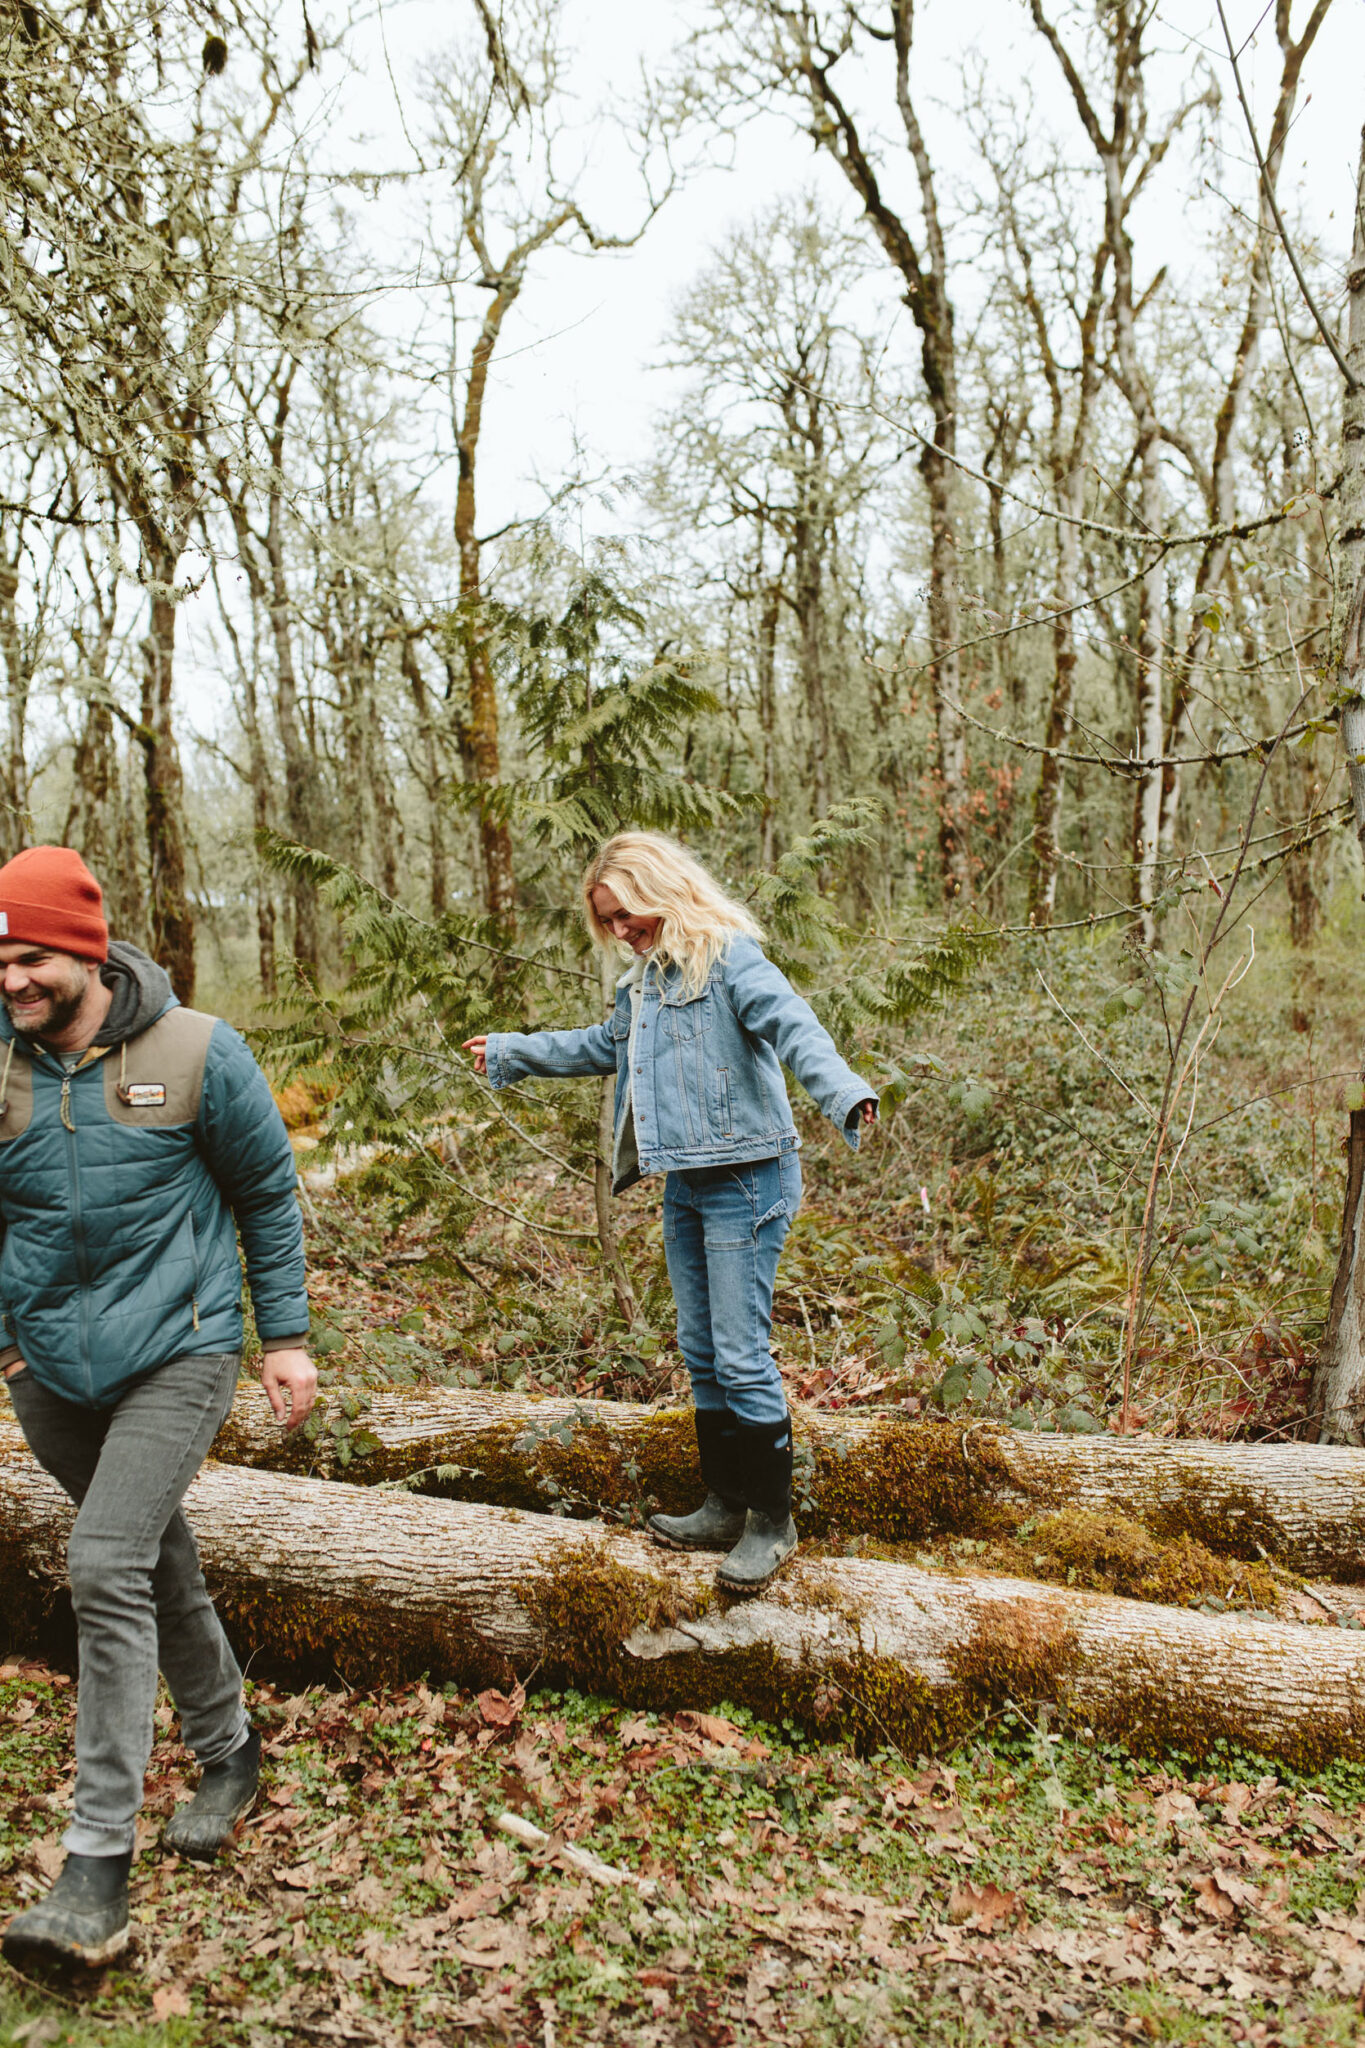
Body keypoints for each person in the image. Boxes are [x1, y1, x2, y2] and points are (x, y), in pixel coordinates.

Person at [0, 846, 315, 1968]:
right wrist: (12, 1352)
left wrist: (282, 1337)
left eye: (31, 955)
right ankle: (229, 1748)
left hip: (177, 1354)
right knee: (148, 1557)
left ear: (85, 950)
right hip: (52, 1378)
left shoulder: (195, 1050)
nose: (13, 979)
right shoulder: (2, 1069)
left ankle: (94, 1873)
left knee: (101, 1562)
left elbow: (264, 1189)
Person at [464, 831, 876, 1594]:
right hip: (685, 1182)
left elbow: (795, 1027)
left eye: (624, 915)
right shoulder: (644, 983)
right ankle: (724, 1502)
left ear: (657, 892)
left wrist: (844, 1093)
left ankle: (771, 1521)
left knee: (740, 1351)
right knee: (701, 1350)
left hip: (748, 1180)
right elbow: (602, 1047)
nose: (620, 931)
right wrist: (516, 1051)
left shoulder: (729, 960)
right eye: (607, 923)